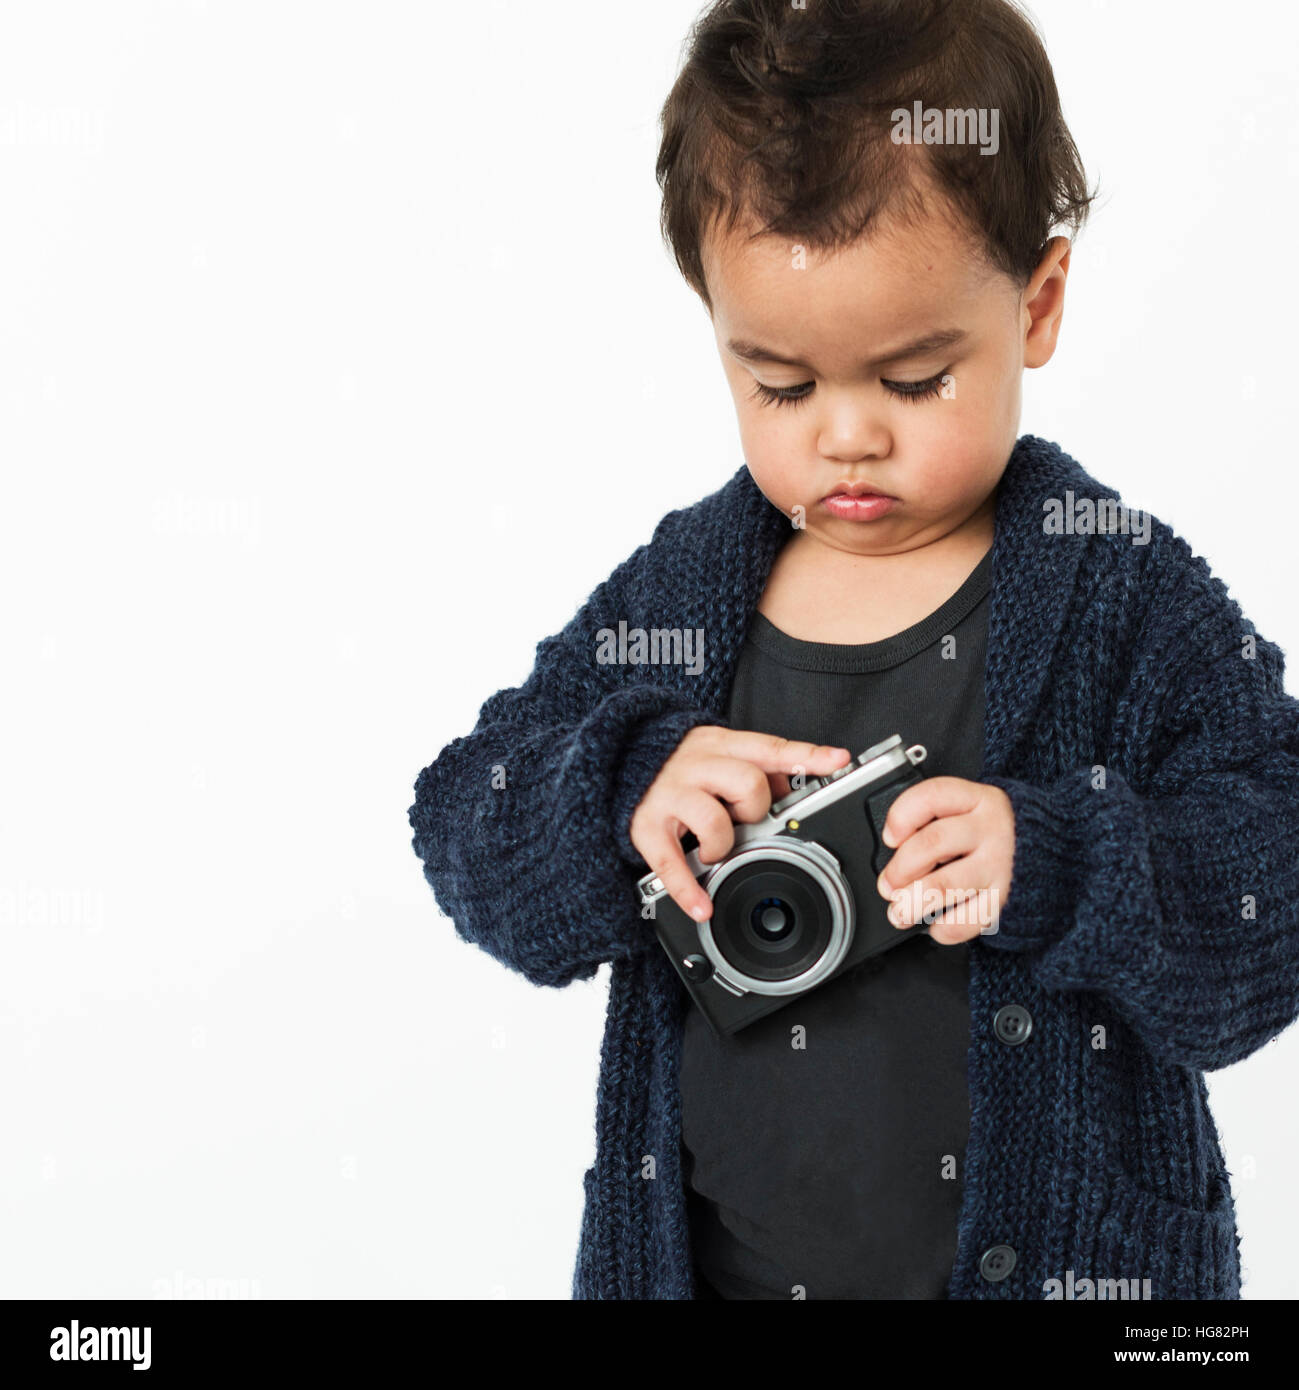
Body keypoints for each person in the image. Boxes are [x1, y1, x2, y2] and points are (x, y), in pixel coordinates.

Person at [408, 0, 1299, 1299]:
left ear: (1037, 303)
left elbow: (1277, 886)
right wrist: (618, 794)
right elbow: (461, 812)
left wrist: (1063, 862)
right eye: (781, 383)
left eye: (915, 378)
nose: (846, 437)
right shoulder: (685, 592)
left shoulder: (1123, 592)